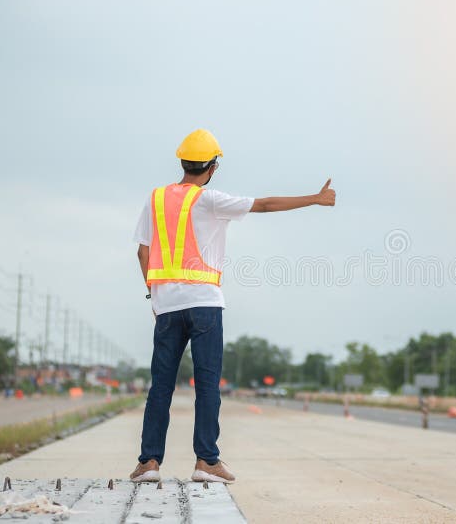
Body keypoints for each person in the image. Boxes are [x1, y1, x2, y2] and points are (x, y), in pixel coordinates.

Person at [129, 129, 336, 483]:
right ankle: (206, 462)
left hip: (166, 306)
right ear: (211, 168)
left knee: (160, 386)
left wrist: (154, 294)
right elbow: (265, 204)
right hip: (205, 304)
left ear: (182, 162)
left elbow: (143, 251)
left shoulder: (156, 199)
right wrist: (316, 198)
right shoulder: (208, 200)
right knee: (207, 383)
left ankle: (149, 463)